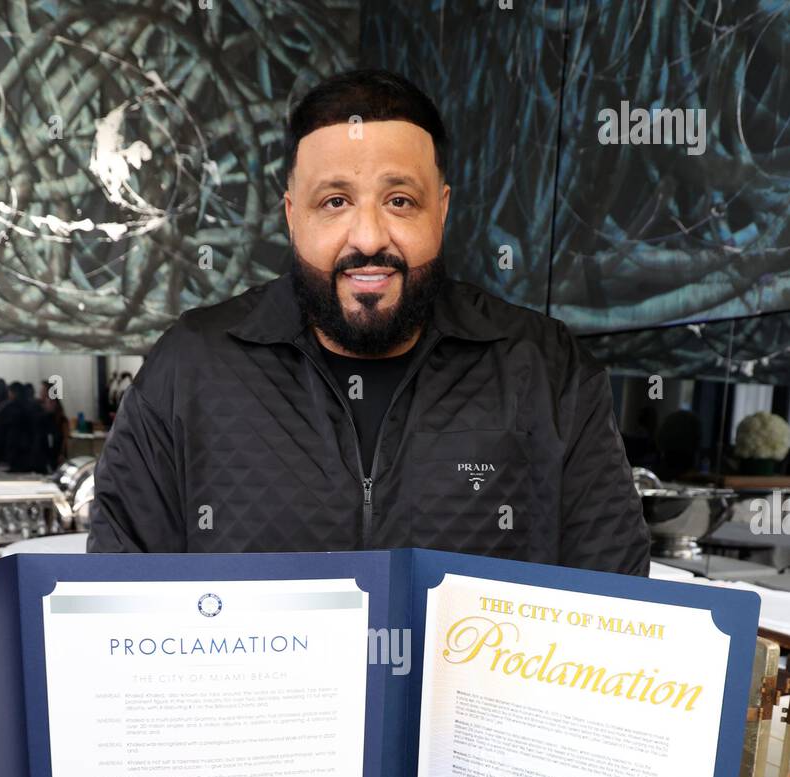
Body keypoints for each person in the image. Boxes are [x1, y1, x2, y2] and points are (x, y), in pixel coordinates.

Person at [88, 68, 650, 574]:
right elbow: (116, 599)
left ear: (443, 210)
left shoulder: (546, 369)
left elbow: (615, 603)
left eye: (400, 200)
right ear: (291, 215)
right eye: (334, 201)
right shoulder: (190, 367)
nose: (369, 237)